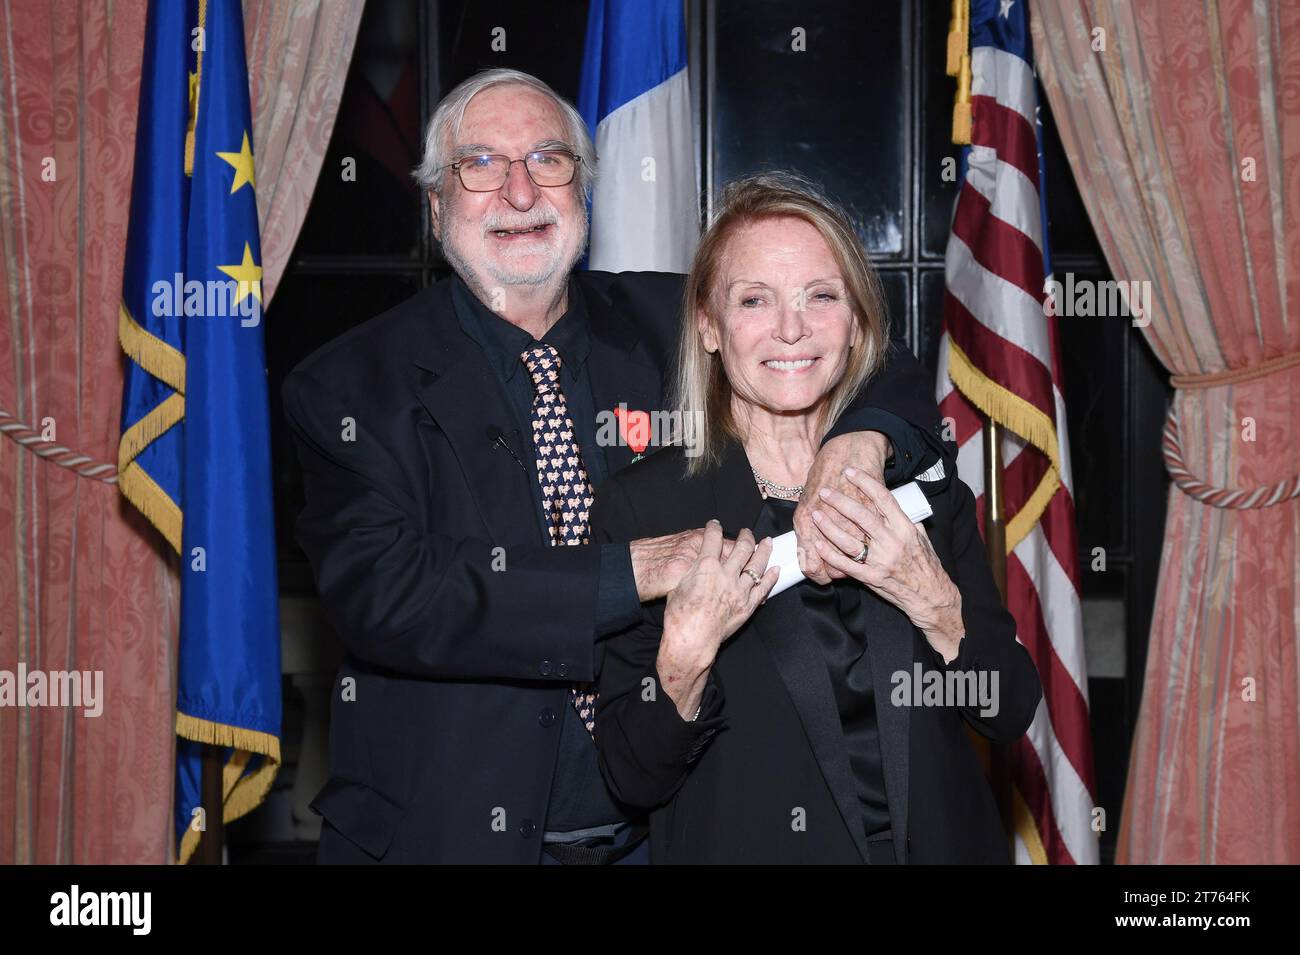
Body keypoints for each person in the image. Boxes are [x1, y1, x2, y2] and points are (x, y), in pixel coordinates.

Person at [282, 69, 951, 864]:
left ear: (584, 193)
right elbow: (387, 598)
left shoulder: (669, 322)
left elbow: (870, 355)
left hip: (665, 837)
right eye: (482, 165)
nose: (521, 192)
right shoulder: (345, 385)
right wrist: (628, 570)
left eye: (548, 159)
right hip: (448, 837)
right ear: (435, 206)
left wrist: (860, 440)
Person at [591, 173, 1042, 864]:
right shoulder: (647, 506)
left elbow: (1006, 707)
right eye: (754, 300)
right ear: (709, 327)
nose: (792, 328)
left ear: (857, 319)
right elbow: (632, 775)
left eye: (820, 296)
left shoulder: (915, 478)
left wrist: (934, 601)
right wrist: (683, 658)